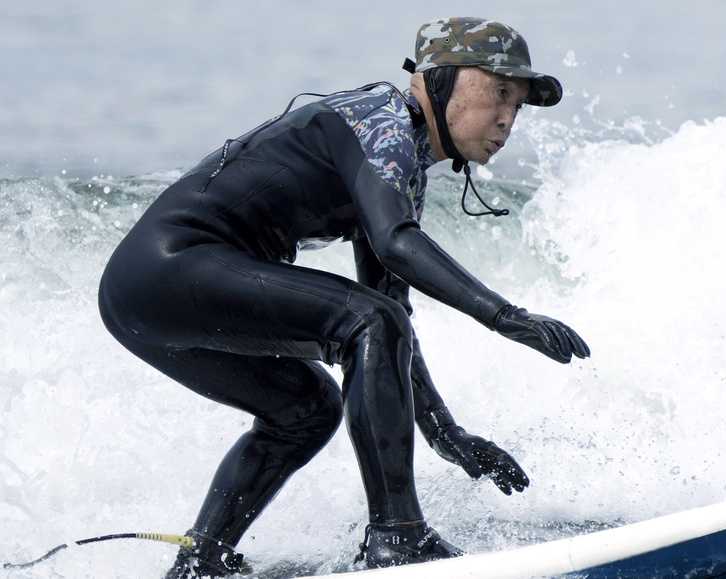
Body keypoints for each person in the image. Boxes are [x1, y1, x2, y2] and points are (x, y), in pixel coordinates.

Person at [97, 16, 590, 578]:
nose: (508, 117)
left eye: (520, 105)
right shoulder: (379, 123)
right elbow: (396, 249)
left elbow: (390, 314)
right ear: (440, 80)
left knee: (306, 411)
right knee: (367, 322)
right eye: (500, 92)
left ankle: (200, 563)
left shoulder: (396, 160)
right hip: (168, 268)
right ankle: (397, 537)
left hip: (140, 297)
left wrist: (447, 434)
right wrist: (505, 316)